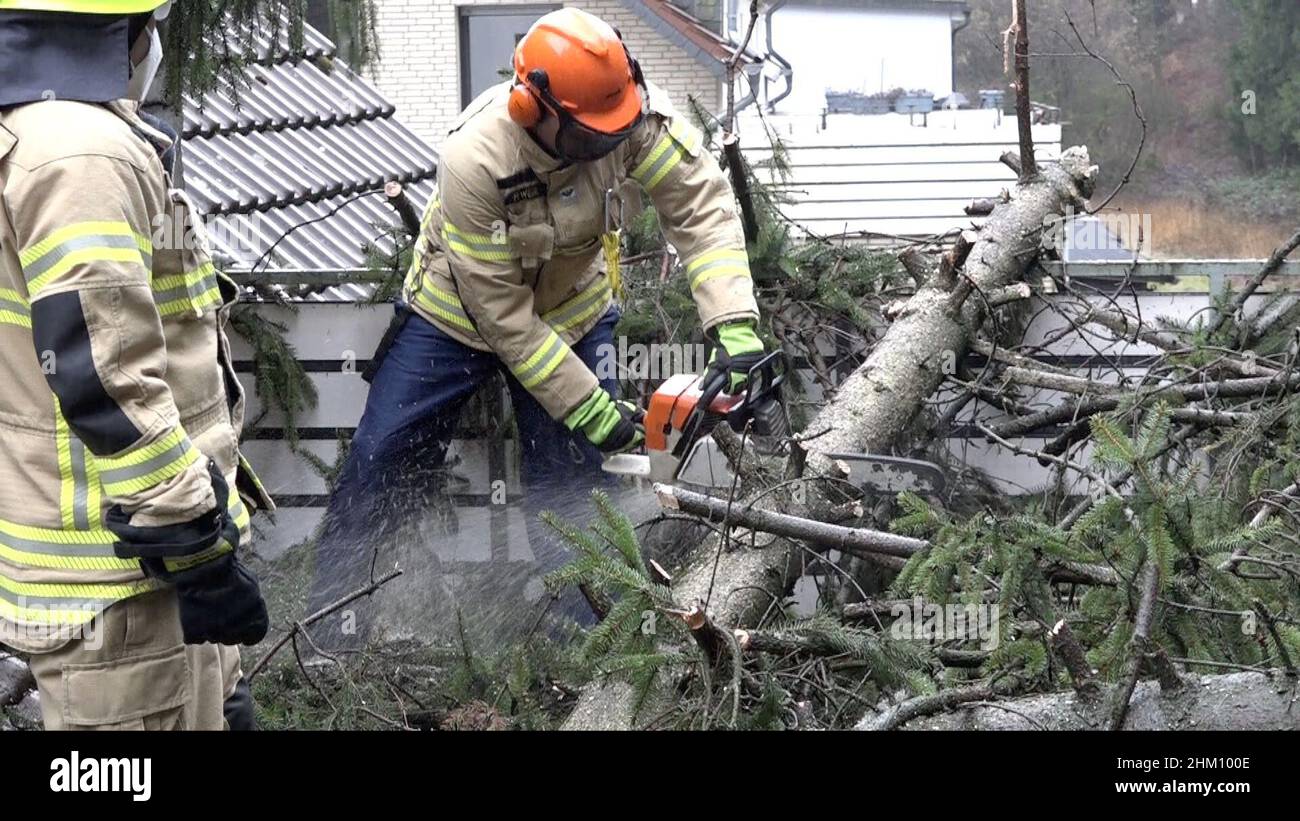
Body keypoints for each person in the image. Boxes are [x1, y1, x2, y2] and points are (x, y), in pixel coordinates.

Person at [309, 7, 767, 645]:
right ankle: (332, 632)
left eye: (617, 128)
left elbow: (698, 205)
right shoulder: (476, 157)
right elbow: (505, 320)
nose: (609, 145)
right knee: (382, 455)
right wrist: (586, 405)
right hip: (457, 317)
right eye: (591, 136)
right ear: (535, 110)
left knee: (573, 484)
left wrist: (735, 324)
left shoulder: (627, 117)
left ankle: (589, 646)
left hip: (574, 310)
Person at [0, 0, 272, 730]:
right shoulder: (79, 153)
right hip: (129, 591)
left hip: (113, 585)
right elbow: (102, 375)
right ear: (125, 30)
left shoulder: (34, 135)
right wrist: (195, 550)